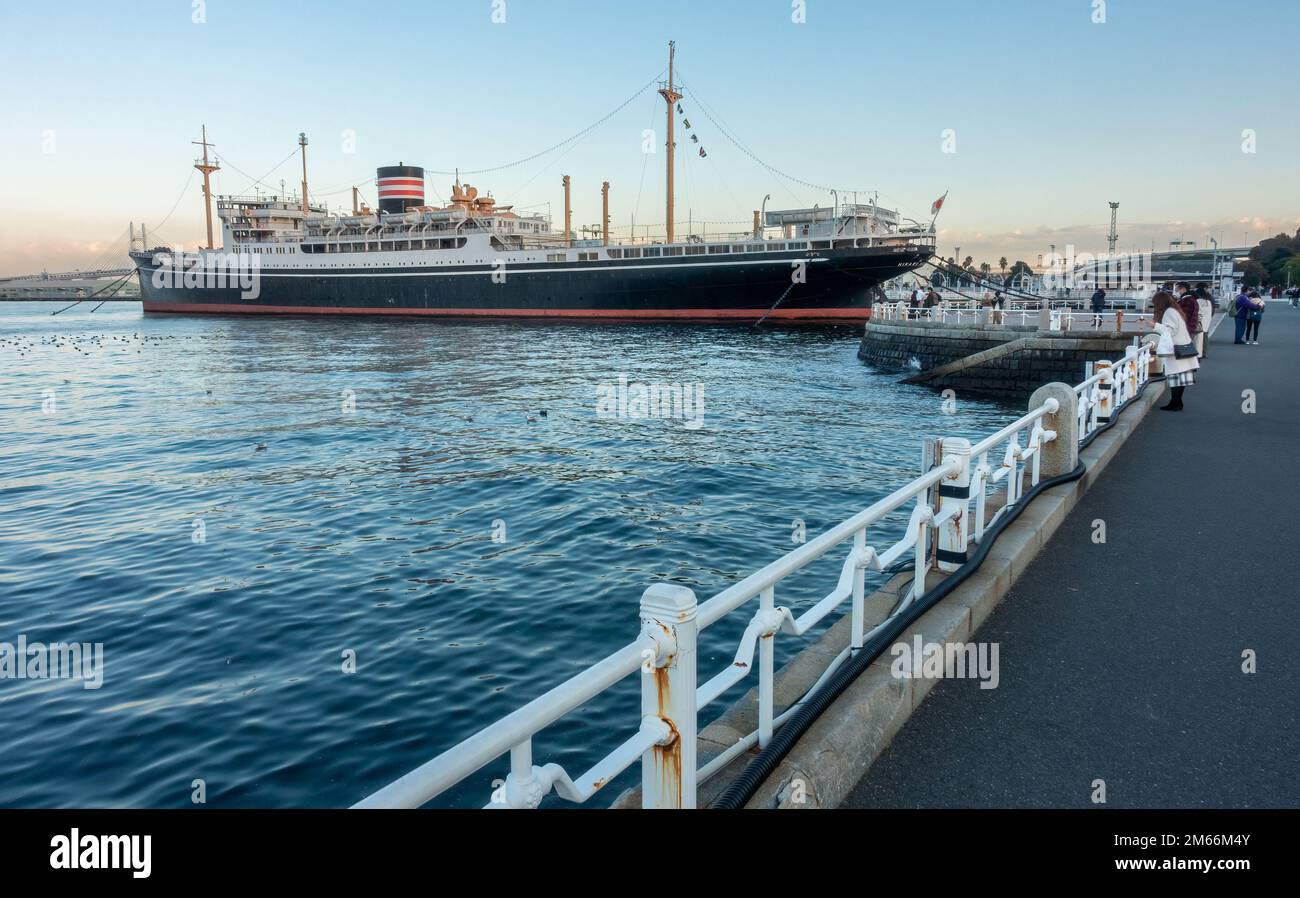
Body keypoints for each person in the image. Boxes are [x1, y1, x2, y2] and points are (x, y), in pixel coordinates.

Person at [1149, 290, 1199, 411]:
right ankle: (1177, 402)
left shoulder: (1169, 312)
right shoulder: (1176, 310)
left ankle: (1175, 403)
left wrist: (1154, 325)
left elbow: (1170, 330)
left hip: (1176, 349)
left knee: (1175, 378)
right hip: (1184, 347)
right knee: (1182, 377)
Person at [1194, 285, 1213, 358]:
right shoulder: (1209, 302)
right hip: (1207, 322)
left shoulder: (1198, 301)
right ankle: (1204, 352)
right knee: (1205, 339)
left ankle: (1199, 353)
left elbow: (1198, 312)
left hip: (1200, 322)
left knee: (1199, 339)